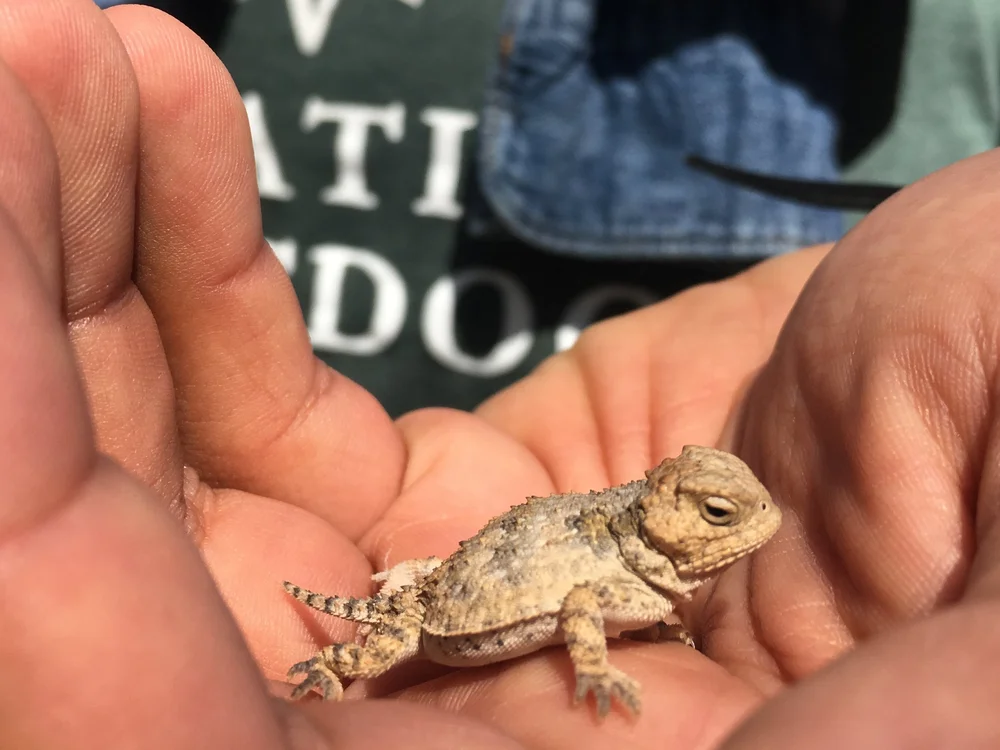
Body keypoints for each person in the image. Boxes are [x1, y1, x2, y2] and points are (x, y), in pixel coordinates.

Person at [2, 1, 999, 748]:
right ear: (664, 510)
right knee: (374, 650)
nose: (741, 525)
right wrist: (600, 667)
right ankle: (328, 657)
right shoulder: (619, 580)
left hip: (465, 488)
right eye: (713, 512)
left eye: (724, 512)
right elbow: (575, 611)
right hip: (449, 616)